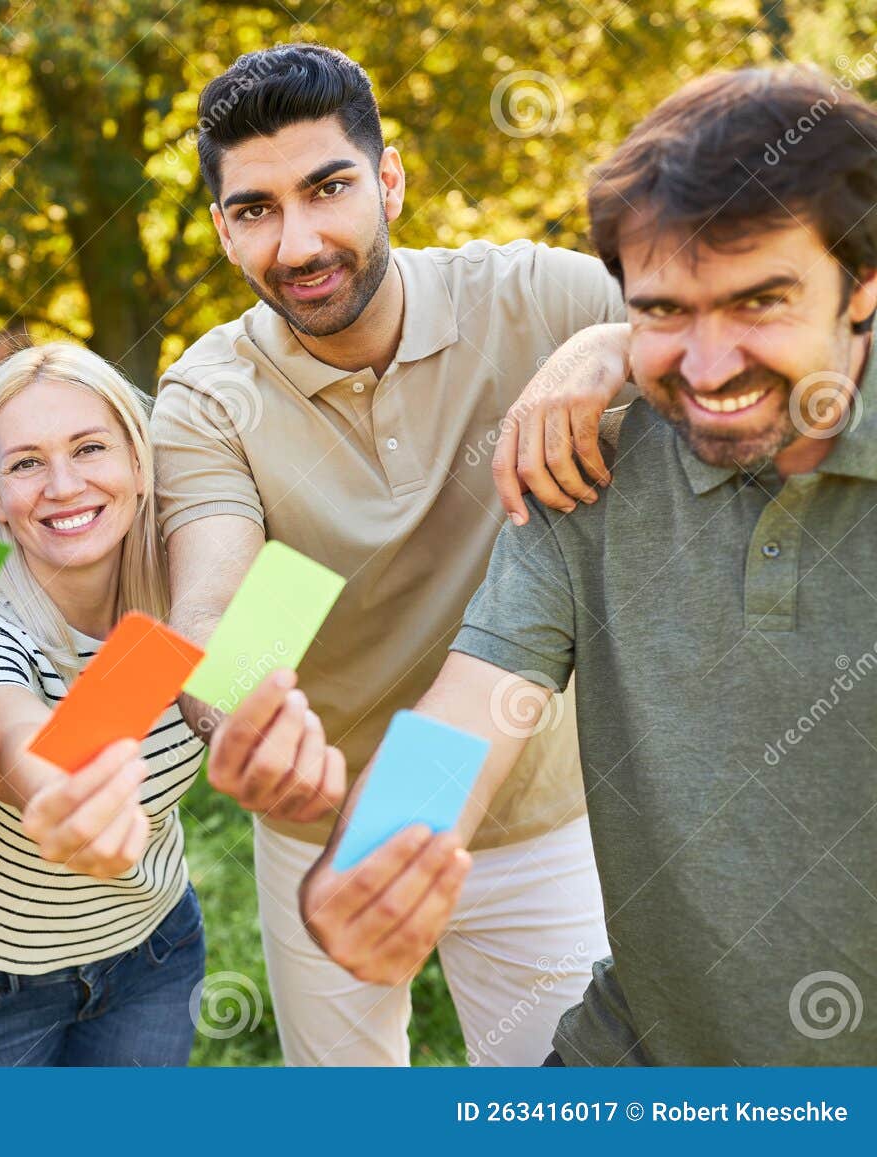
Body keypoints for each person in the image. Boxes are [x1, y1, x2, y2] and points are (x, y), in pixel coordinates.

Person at [302, 66, 877, 1066]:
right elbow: (476, 703)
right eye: (661, 311)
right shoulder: (587, 468)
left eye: (759, 301)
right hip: (635, 1059)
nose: (706, 368)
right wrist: (380, 851)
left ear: (861, 283)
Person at [154, 43, 619, 1066]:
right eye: (254, 210)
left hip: (536, 822)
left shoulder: (537, 300)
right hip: (327, 827)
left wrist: (601, 351)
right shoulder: (208, 396)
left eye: (329, 189)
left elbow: (699, 319)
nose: (300, 241)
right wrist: (234, 720)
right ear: (226, 230)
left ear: (391, 180)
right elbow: (214, 608)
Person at [0, 343, 343, 1065]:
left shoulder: (188, 590)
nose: (64, 484)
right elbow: (7, 723)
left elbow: (242, 698)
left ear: (140, 463)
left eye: (89, 448)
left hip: (154, 952)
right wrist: (54, 786)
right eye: (25, 462)